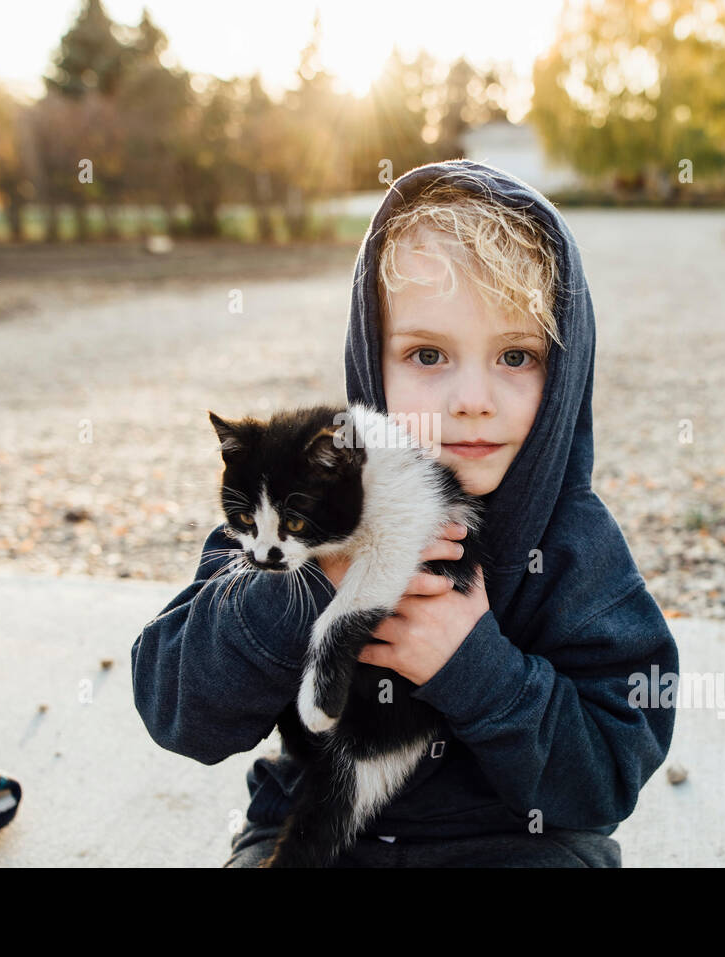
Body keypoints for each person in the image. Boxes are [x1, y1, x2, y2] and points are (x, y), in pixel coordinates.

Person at [132, 159, 679, 867]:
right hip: (310, 828)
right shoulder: (294, 509)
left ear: (567, 367)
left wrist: (478, 667)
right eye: (428, 353)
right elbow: (179, 711)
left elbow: (606, 776)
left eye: (516, 355)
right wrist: (316, 581)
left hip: (514, 842)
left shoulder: (573, 547)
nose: (472, 399)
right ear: (370, 362)